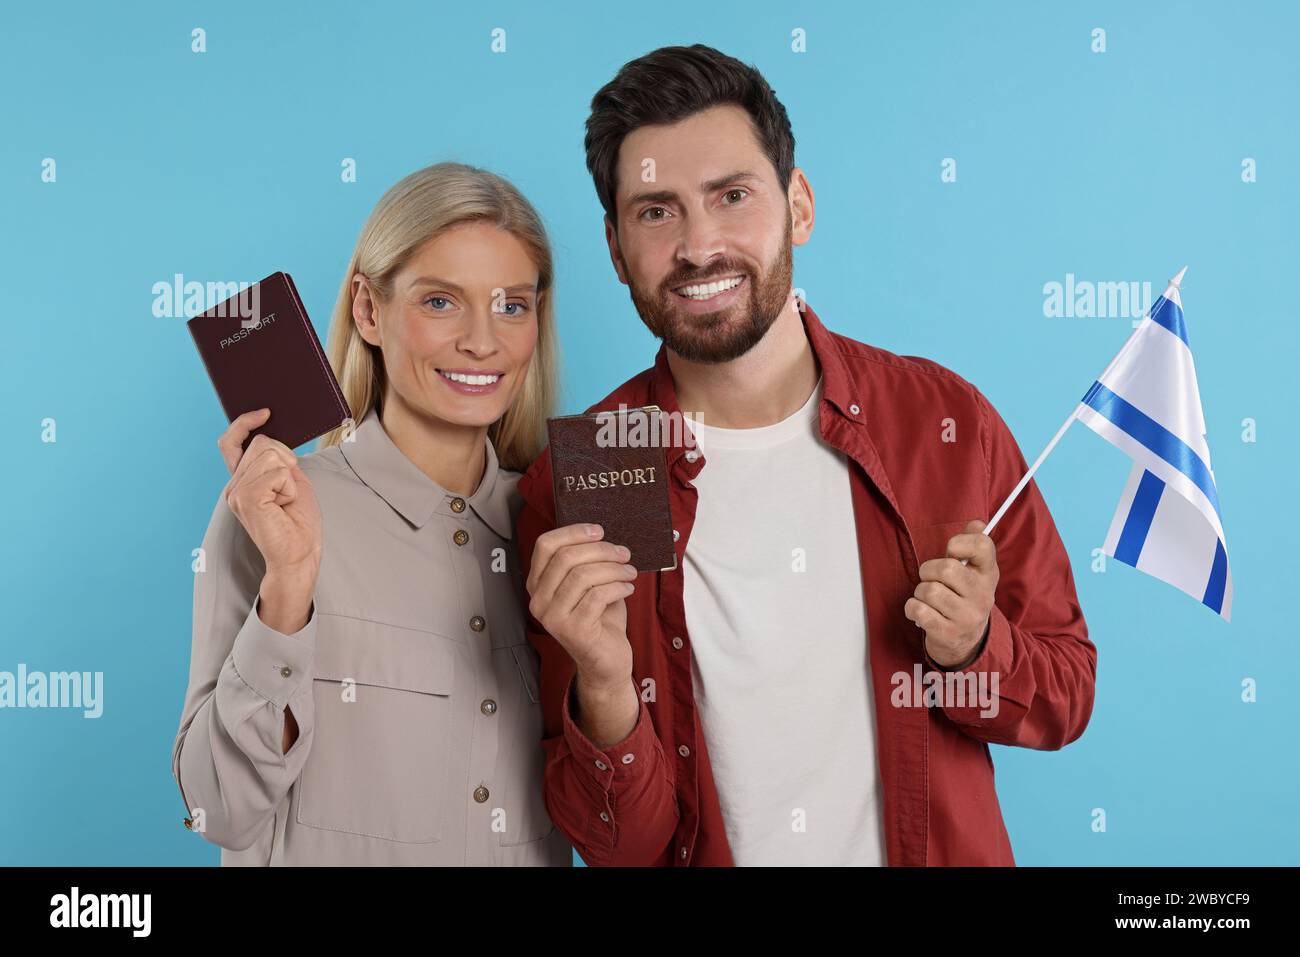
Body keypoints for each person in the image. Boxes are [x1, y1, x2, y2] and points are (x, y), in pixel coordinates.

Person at [517, 45, 1097, 866]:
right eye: (656, 211)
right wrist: (604, 685)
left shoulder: (943, 421)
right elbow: (623, 845)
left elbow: (1068, 693)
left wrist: (973, 649)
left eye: (732, 196)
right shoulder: (589, 476)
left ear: (799, 205)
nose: (698, 245)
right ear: (615, 249)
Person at [172, 161, 571, 865]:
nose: (483, 341)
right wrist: (289, 588)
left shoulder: (557, 525)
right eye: (441, 302)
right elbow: (220, 810)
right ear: (367, 309)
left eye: (512, 304)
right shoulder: (274, 513)